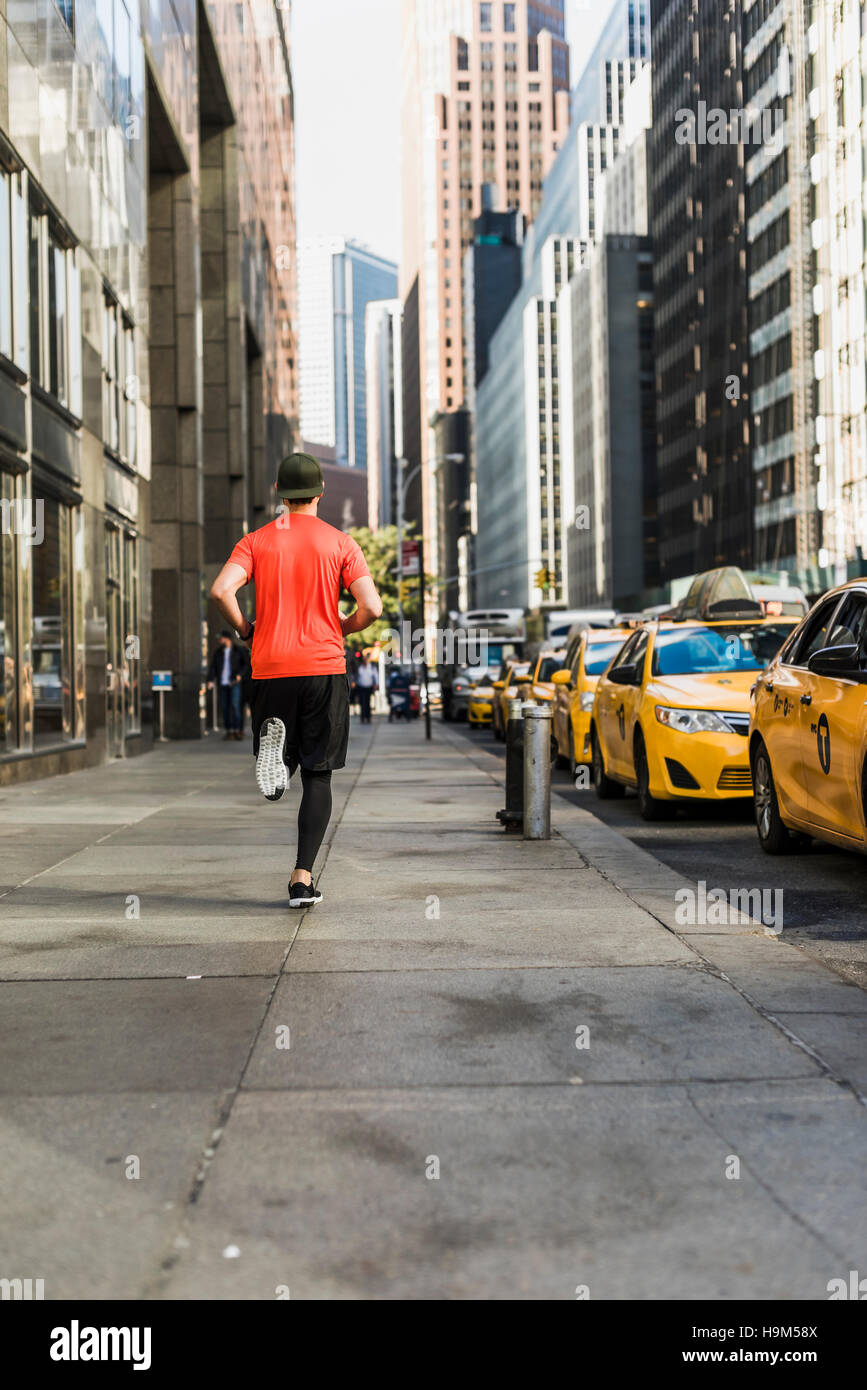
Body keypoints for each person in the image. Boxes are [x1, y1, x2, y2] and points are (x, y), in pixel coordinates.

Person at [209, 452, 382, 908]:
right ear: (321, 492)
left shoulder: (256, 541)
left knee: (282, 741)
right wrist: (341, 628)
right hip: (323, 667)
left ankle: (280, 761)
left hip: (271, 666)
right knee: (319, 774)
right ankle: (302, 879)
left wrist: (246, 630)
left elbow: (221, 590)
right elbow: (372, 608)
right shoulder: (341, 543)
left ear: (279, 493)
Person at [207, 631, 245, 740]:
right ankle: (229, 730)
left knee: (235, 706)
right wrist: (210, 680)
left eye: (221, 638)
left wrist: (240, 675)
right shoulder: (218, 652)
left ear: (227, 638)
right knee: (225, 708)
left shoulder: (238, 650)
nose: (219, 640)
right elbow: (213, 667)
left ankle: (237, 730)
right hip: (223, 683)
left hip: (234, 683)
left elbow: (246, 664)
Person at [354, 652, 378, 724]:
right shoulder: (359, 667)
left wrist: (376, 684)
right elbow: (356, 677)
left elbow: (375, 676)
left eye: (365, 660)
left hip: (369, 687)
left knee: (368, 702)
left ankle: (368, 717)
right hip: (361, 687)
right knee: (362, 703)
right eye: (363, 660)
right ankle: (362, 717)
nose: (364, 661)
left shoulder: (372, 667)